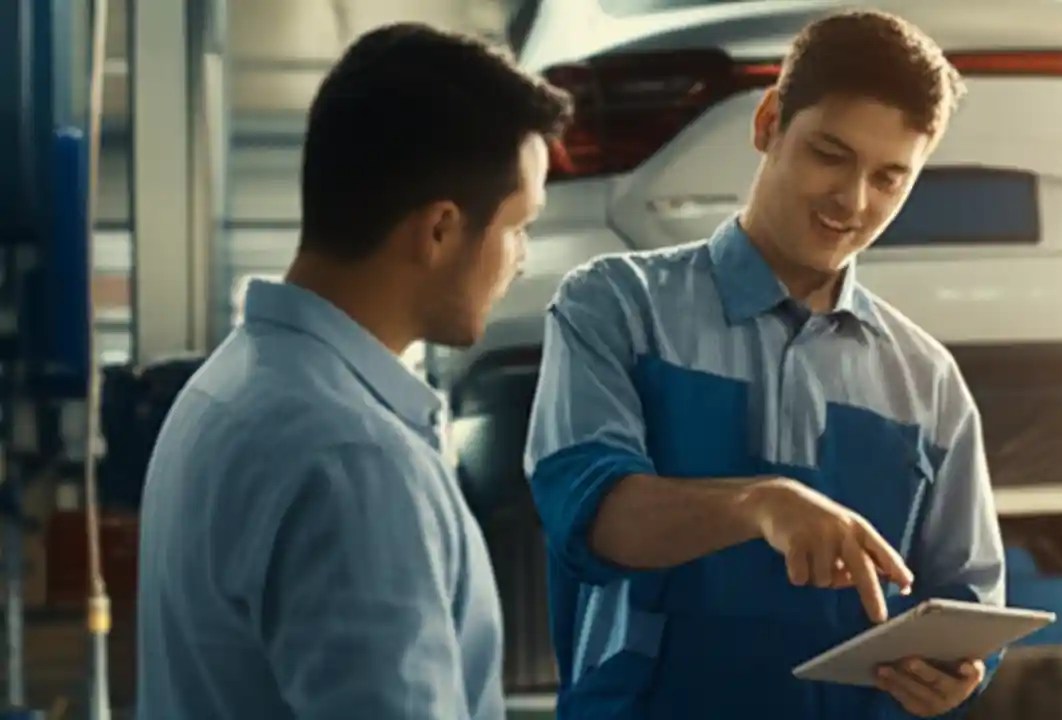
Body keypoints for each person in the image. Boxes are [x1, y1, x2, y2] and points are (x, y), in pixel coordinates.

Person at [524, 9, 1005, 719]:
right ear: (769, 122)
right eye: (830, 155)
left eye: (890, 177)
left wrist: (962, 672)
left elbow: (966, 602)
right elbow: (590, 518)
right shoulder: (618, 307)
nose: (853, 201)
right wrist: (760, 503)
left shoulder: (927, 383)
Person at [136, 23, 571, 720]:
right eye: (518, 225)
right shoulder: (354, 460)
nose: (521, 258)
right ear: (439, 231)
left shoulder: (227, 389)